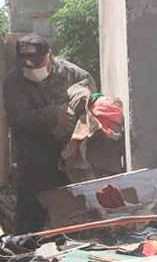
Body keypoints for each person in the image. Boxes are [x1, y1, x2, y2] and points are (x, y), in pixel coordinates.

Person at [3, 34, 95, 231]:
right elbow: (20, 117)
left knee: (73, 206)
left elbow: (89, 91)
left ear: (50, 56)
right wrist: (52, 114)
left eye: (37, 63)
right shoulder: (13, 81)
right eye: (27, 65)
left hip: (68, 151)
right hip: (34, 154)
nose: (33, 69)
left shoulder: (71, 73)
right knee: (31, 212)